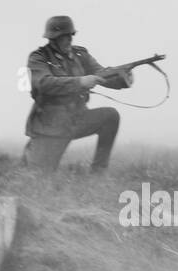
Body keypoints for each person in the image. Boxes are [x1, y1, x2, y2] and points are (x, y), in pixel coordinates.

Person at [24, 16, 133, 174]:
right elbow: (44, 84)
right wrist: (80, 82)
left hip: (77, 119)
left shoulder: (80, 55)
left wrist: (123, 78)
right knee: (39, 177)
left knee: (110, 116)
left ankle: (98, 172)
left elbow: (101, 74)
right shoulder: (38, 58)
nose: (69, 40)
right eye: (64, 37)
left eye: (70, 35)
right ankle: (33, 151)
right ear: (52, 39)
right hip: (51, 126)